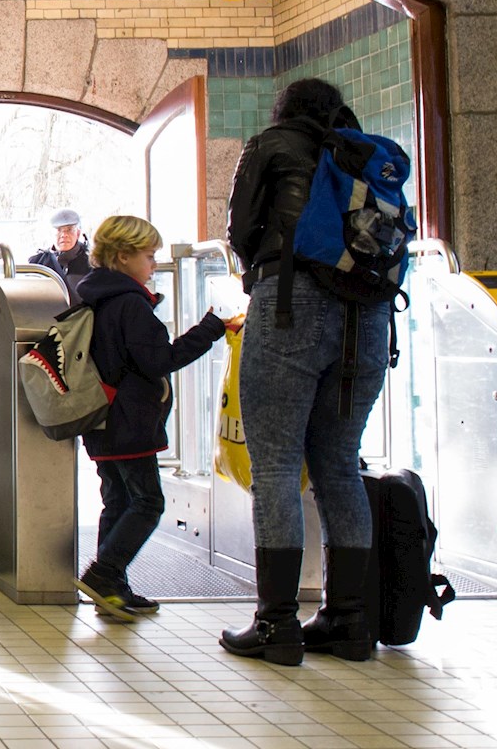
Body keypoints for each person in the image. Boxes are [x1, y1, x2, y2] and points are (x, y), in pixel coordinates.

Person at [220, 77, 389, 666]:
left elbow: (240, 230)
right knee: (340, 465)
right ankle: (348, 621)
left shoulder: (271, 144)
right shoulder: (363, 155)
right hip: (367, 322)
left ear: (284, 110)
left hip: (289, 307)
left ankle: (277, 625)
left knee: (276, 467)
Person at [74, 215, 234, 621]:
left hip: (100, 418)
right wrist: (212, 327)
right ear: (123, 256)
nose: (153, 264)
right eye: (149, 256)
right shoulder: (129, 304)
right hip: (130, 421)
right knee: (148, 501)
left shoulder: (94, 297)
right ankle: (104, 574)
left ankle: (113, 589)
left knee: (118, 499)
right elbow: (160, 359)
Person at [30, 208, 93, 303]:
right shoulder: (37, 263)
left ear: (78, 233)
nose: (64, 235)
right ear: (51, 234)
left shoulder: (92, 263)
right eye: (59, 230)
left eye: (69, 230)